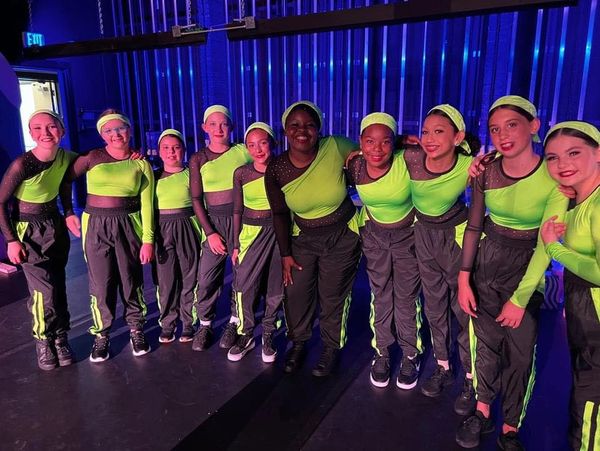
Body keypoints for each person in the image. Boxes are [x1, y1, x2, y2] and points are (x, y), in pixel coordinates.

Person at [455, 95, 568, 449]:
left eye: (512, 125)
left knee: (520, 352)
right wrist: (464, 277)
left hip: (528, 266)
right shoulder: (485, 170)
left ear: (534, 126)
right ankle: (483, 410)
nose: (502, 135)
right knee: (485, 344)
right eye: (494, 129)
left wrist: (520, 299)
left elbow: (544, 245)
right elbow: (474, 227)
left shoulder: (553, 176)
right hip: (487, 260)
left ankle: (511, 424)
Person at [265, 100, 361, 377]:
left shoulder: (337, 146)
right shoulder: (277, 168)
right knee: (296, 294)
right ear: (285, 131)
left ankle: (331, 347)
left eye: (309, 124)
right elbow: (280, 214)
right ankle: (299, 343)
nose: (302, 130)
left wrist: (405, 141)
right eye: (294, 125)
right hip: (302, 239)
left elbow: (374, 150)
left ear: (319, 128)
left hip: (341, 237)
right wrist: (285, 254)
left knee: (332, 297)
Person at [63, 109, 154, 363]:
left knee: (130, 280)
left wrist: (148, 240)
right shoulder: (92, 157)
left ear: (130, 130)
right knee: (100, 283)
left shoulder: (141, 162)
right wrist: (68, 211)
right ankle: (101, 334)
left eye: (120, 128)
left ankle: (137, 329)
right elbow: (63, 179)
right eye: (109, 130)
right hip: (96, 225)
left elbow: (146, 204)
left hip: (128, 224)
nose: (116, 134)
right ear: (102, 134)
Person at [403, 104, 478, 414]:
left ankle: (473, 377)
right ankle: (444, 366)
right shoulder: (413, 158)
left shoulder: (471, 165)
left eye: (438, 132)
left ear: (457, 136)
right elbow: (385, 142)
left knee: (464, 309)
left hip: (455, 236)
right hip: (423, 235)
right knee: (433, 305)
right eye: (425, 131)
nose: (429, 139)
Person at [345, 112, 421, 389]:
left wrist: (407, 143)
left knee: (406, 299)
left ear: (395, 142)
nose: (377, 148)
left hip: (407, 237)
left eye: (385, 141)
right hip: (375, 238)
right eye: (370, 141)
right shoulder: (355, 166)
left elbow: (450, 154)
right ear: (361, 143)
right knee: (381, 296)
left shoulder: (408, 159)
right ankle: (383, 353)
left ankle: (411, 354)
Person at [0, 109, 76, 370]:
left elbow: (94, 161)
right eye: (38, 128)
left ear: (62, 130)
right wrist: (11, 239)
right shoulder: (22, 164)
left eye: (51, 127)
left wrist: (131, 153)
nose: (45, 133)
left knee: (58, 285)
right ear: (30, 133)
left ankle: (60, 336)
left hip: (54, 227)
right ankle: (43, 339)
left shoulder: (66, 157)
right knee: (44, 292)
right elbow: (0, 202)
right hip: (28, 231)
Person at [540, 121, 600, 451]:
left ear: (598, 152)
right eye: (552, 157)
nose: (562, 164)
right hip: (584, 309)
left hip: (596, 314)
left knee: (591, 401)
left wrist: (554, 248)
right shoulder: (582, 196)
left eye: (573, 153)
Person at [189, 105, 252, 351]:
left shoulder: (243, 151)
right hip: (213, 223)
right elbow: (196, 199)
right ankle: (205, 324)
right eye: (213, 124)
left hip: (241, 221)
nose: (219, 128)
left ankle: (235, 323)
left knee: (241, 277)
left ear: (232, 127)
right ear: (204, 128)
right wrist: (210, 233)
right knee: (206, 279)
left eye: (224, 123)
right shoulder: (198, 158)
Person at [227, 122, 284, 363]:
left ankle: (269, 333)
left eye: (262, 142)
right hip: (250, 233)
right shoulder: (241, 172)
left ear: (272, 142)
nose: (258, 149)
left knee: (276, 287)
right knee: (243, 286)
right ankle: (245, 333)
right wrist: (235, 244)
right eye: (251, 144)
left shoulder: (284, 168)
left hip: (279, 232)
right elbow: (237, 209)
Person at [153, 129, 202, 344]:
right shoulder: (152, 176)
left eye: (176, 147)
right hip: (161, 230)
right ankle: (167, 324)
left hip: (187, 226)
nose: (171, 152)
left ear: (183, 149)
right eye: (166, 148)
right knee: (165, 281)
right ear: (159, 151)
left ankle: (188, 323)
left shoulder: (192, 174)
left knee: (190, 277)